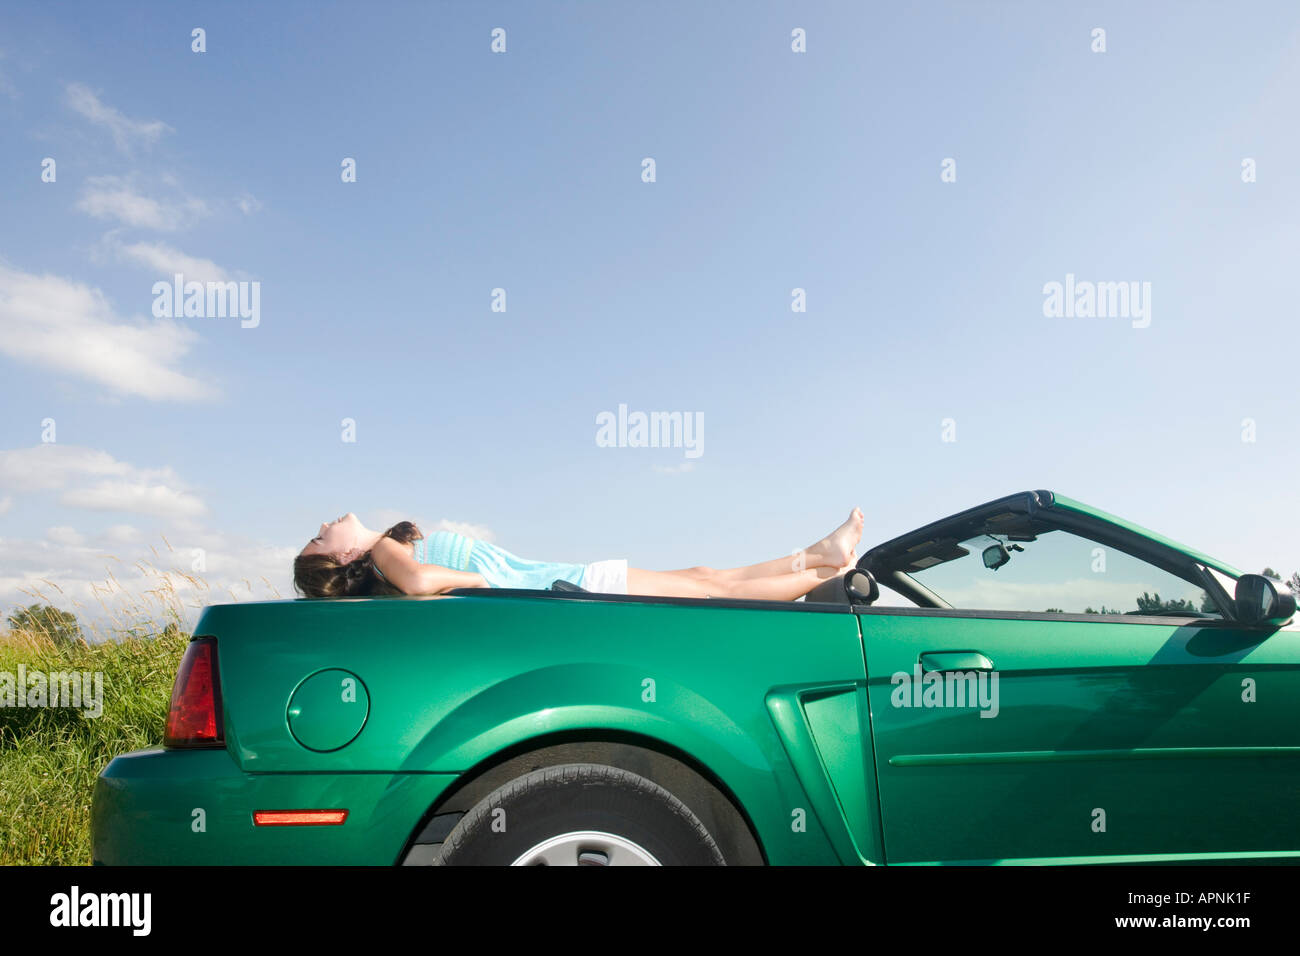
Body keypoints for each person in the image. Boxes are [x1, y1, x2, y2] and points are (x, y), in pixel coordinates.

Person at [293, 510, 863, 601]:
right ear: (341, 560)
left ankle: (817, 557)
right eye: (317, 538)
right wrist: (472, 577)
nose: (322, 524)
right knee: (714, 591)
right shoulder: (387, 552)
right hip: (578, 588)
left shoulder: (390, 548)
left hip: (573, 583)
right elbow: (419, 583)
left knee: (706, 577)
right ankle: (822, 572)